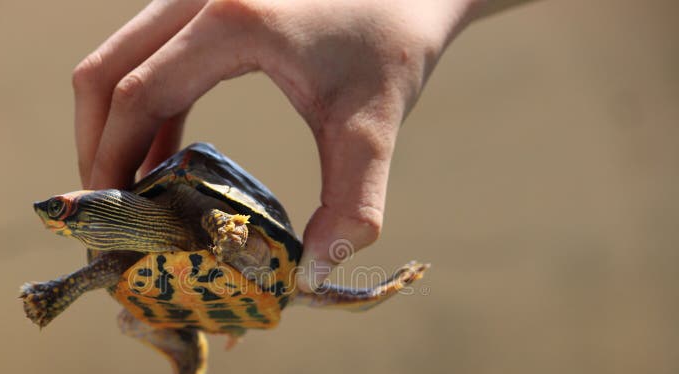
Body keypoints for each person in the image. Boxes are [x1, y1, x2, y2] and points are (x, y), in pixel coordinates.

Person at [71, 0, 535, 290]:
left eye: (67, 213)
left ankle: (363, 291)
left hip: (243, 256)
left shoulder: (204, 219)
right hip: (177, 291)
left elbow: (225, 227)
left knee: (298, 275)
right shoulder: (134, 230)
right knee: (137, 308)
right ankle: (182, 349)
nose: (67, 218)